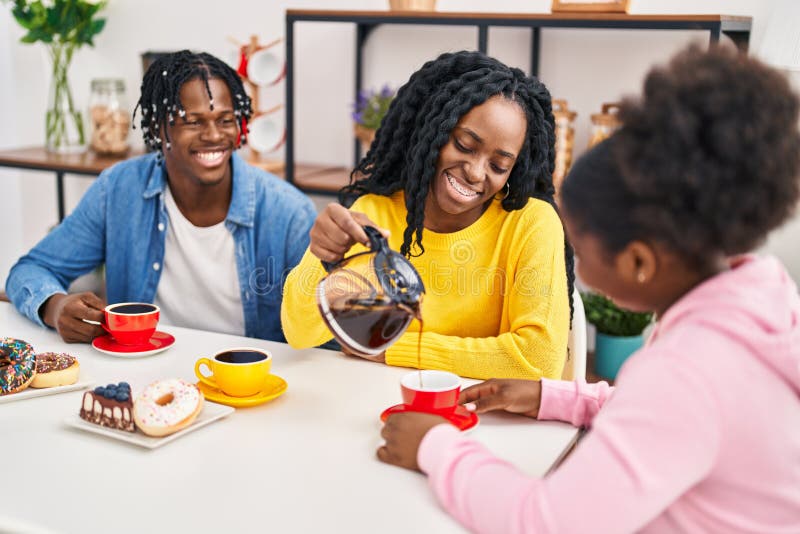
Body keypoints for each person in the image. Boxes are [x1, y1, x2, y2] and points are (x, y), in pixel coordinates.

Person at [377, 44, 800, 532]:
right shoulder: (755, 304)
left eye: (579, 244)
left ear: (637, 261)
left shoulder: (691, 369)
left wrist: (435, 447)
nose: (570, 258)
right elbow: (665, 417)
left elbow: (545, 522)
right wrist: (552, 397)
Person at [281, 51, 574, 380]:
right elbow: (299, 333)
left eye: (498, 166)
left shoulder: (530, 223)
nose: (476, 173)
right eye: (464, 145)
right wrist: (325, 260)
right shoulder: (374, 215)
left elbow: (539, 359)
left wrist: (392, 348)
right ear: (433, 130)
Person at [6, 50, 316, 343]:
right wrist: (57, 307)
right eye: (193, 122)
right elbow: (32, 269)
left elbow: (321, 327)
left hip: (247, 383)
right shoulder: (120, 190)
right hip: (144, 372)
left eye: (225, 120)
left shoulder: (288, 212)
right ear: (158, 127)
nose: (214, 136)